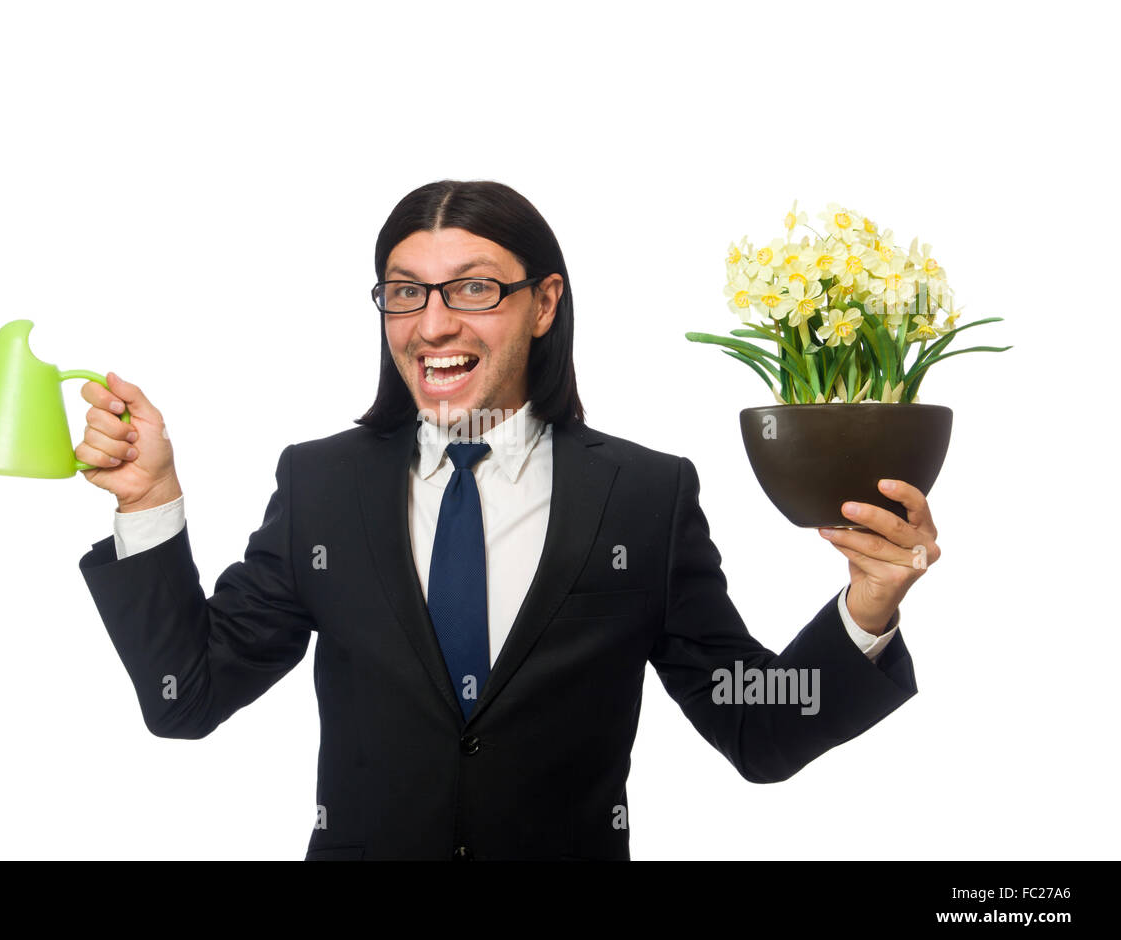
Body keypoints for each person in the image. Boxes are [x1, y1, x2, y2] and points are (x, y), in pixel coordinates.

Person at [75, 180, 938, 861]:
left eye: (474, 288)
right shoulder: (320, 486)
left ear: (544, 302)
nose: (433, 323)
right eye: (405, 292)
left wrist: (865, 614)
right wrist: (149, 502)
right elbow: (185, 695)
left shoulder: (645, 495)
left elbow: (759, 724)